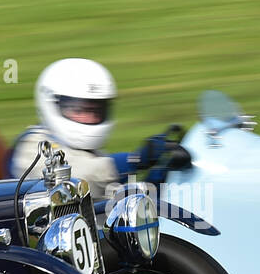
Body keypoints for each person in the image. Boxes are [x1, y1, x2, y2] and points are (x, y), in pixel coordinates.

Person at [10, 59, 181, 197]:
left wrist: (159, 177)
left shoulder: (90, 152)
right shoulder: (33, 147)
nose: (90, 117)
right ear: (51, 103)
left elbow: (111, 195)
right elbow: (76, 180)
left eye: (96, 110)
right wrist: (136, 159)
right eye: (78, 109)